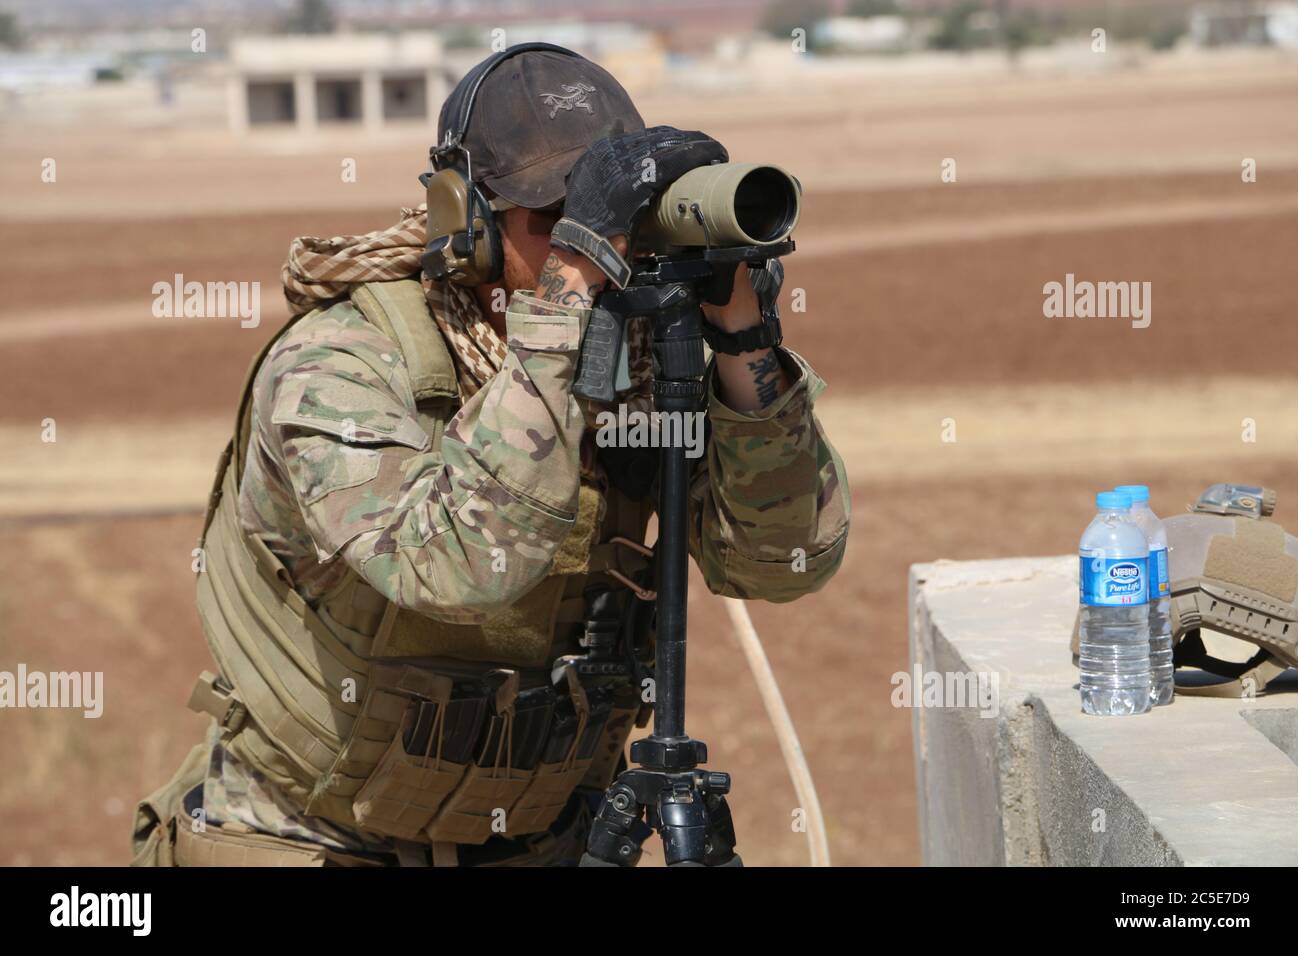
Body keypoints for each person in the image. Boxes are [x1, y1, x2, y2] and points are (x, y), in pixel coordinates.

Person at [131, 43, 849, 867]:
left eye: (620, 225)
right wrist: (567, 295)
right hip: (315, 840)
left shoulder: (639, 367)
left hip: (540, 841)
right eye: (557, 223)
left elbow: (781, 563)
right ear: (462, 220)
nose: (605, 253)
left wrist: (741, 346)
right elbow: (458, 569)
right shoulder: (341, 364)